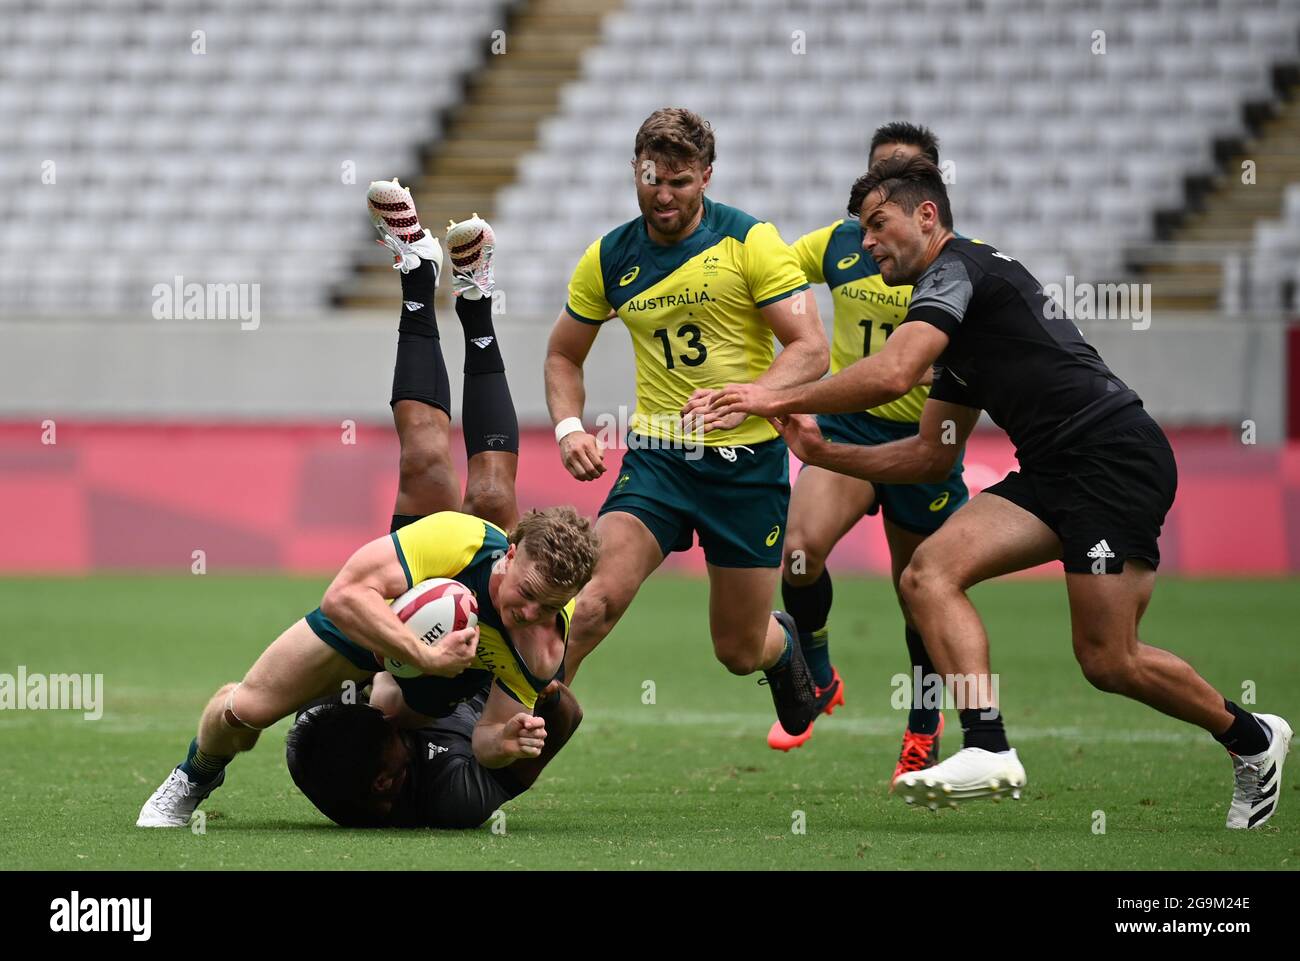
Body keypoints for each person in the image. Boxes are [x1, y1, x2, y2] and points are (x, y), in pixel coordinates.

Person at [703, 154, 1291, 827]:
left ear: (927, 216)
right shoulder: (957, 323)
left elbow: (895, 374)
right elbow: (931, 455)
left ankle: (1253, 738)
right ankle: (986, 743)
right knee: (928, 574)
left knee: (1109, 658)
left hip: (1111, 456)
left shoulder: (961, 269)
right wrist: (824, 450)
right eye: (860, 230)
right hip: (1051, 469)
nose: (865, 242)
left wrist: (769, 393)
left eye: (877, 223)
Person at [137, 187, 600, 828]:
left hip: (443, 681)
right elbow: (342, 599)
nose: (530, 611)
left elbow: (491, 735)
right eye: (527, 592)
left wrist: (508, 741)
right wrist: (423, 649)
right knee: (242, 712)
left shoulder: (542, 642)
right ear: (511, 550)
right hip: (381, 634)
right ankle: (418, 271)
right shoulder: (460, 544)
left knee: (489, 490)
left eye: (547, 606)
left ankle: (473, 297)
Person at [543, 107, 833, 736]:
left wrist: (755, 395)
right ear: (634, 171)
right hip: (658, 459)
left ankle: (781, 646)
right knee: (591, 605)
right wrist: (569, 428)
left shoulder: (752, 242)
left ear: (706, 176)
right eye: (651, 178)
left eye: (678, 180)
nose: (663, 194)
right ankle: (516, 727)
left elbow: (812, 349)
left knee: (736, 650)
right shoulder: (608, 256)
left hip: (748, 467)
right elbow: (563, 355)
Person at [771, 123, 968, 789]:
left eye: (903, 175)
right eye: (878, 176)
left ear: (930, 194)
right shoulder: (839, 245)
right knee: (799, 552)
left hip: (924, 441)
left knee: (921, 592)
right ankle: (819, 676)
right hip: (847, 428)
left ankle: (922, 725)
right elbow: (766, 279)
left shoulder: (958, 267)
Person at [284, 677, 582, 829]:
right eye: (395, 732)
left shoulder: (314, 728)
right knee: (594, 612)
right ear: (383, 782)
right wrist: (550, 693)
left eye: (375, 712)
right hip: (496, 692)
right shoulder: (454, 799)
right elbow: (569, 716)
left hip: (434, 656)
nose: (389, 719)